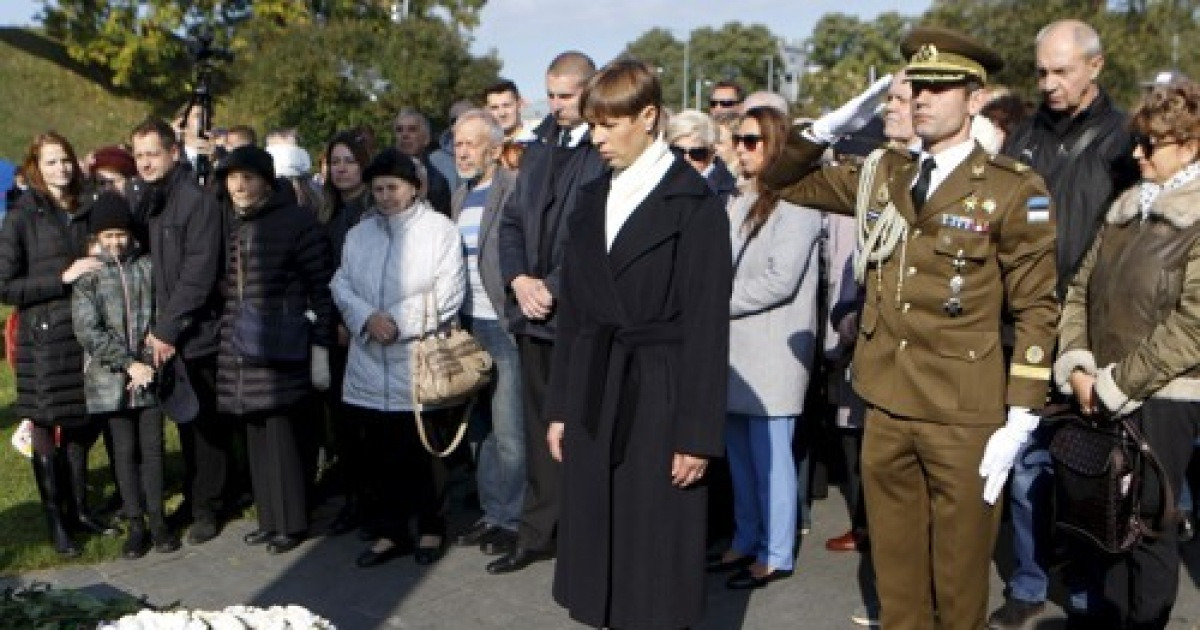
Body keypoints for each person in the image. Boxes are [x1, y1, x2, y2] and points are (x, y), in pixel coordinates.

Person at [762, 27, 1059, 630]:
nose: (923, 97)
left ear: (974, 100)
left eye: (941, 87)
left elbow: (1037, 306)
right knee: (895, 587)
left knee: (958, 588)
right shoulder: (883, 174)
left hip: (961, 413)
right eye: (917, 86)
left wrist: (1023, 412)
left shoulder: (1012, 188)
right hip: (887, 402)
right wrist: (820, 129)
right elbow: (783, 180)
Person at [545, 58, 731, 630]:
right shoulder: (591, 196)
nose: (596, 139)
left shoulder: (693, 205)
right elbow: (575, 314)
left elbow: (707, 327)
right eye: (592, 125)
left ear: (648, 116)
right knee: (599, 537)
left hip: (661, 393)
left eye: (608, 125)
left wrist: (697, 435)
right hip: (597, 388)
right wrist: (560, 408)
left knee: (652, 548)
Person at [991, 19, 1140, 629]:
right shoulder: (1021, 139)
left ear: (1095, 67)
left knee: (1088, 474)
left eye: (1062, 70)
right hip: (1023, 329)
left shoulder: (1126, 138)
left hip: (1095, 334)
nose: (1049, 83)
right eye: (1043, 71)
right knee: (1025, 470)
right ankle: (1027, 584)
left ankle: (1084, 589)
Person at [1054, 80, 1200, 630]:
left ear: (1190, 146)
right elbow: (1078, 291)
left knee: (1148, 526)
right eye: (1136, 140)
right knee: (1103, 523)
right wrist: (1079, 366)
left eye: (1151, 143)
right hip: (1100, 388)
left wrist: (1116, 385)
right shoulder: (1123, 209)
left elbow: (1192, 326)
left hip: (1165, 397)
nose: (1136, 153)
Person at [492, 50, 608, 575]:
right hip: (532, 316)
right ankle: (538, 532)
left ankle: (586, 536)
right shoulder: (537, 148)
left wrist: (554, 287)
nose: (557, 105)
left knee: (580, 428)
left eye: (566, 96)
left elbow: (598, 233)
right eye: (552, 95)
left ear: (589, 90)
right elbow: (512, 222)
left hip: (579, 316)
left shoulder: (605, 150)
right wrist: (519, 281)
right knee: (540, 429)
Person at [331, 147, 466, 568]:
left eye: (394, 187)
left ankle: (430, 527)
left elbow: (447, 293)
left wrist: (396, 321)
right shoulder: (360, 233)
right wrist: (367, 318)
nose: (386, 196)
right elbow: (341, 282)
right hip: (369, 360)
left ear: (414, 188)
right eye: (379, 189)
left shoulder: (439, 231)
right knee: (378, 454)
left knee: (424, 451)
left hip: (417, 358)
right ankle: (390, 532)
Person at [707, 106, 823, 589]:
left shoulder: (798, 201)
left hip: (773, 353)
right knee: (739, 459)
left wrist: (713, 303)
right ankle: (745, 539)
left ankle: (775, 553)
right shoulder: (736, 198)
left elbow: (780, 280)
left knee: (773, 462)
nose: (741, 148)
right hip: (735, 355)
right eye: (737, 139)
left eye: (752, 140)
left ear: (776, 144)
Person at [211, 146, 333, 555]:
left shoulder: (297, 221)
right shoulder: (233, 222)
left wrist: (320, 341)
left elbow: (321, 284)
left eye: (247, 178)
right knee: (256, 431)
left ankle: (292, 520)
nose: (239, 186)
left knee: (283, 434)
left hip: (283, 340)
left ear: (266, 180)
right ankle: (269, 518)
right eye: (232, 179)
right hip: (242, 343)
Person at [0, 131, 115, 557]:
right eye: (50, 162)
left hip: (84, 331)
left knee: (83, 423)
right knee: (47, 425)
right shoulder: (21, 217)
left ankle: (81, 507)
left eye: (65, 160)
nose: (61, 169)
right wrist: (61, 279)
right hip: (44, 336)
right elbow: (5, 286)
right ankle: (57, 522)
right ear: (35, 167)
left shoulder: (85, 208)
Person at [127, 118, 227, 545]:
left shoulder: (196, 201)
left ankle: (209, 505)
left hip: (197, 331)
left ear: (173, 152)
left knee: (206, 424)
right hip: (169, 330)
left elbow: (198, 274)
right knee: (185, 420)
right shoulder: (152, 200)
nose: (145, 162)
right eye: (139, 155)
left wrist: (167, 330)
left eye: (152, 153)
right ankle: (194, 495)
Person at [71, 191, 180, 558]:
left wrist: (147, 362)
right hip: (109, 379)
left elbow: (160, 314)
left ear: (131, 234)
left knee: (152, 449)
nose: (115, 242)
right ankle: (135, 523)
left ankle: (158, 521)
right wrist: (126, 362)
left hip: (149, 376)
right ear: (96, 239)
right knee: (124, 452)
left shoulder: (147, 266)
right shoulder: (90, 277)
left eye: (121, 234)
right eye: (107, 236)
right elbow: (88, 330)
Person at [448, 110, 526, 555]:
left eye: (471, 144)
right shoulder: (460, 195)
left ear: (495, 149)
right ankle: (492, 510)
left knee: (510, 429)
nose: (462, 152)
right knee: (480, 430)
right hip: (468, 324)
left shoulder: (512, 190)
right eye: (458, 143)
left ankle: (513, 518)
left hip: (504, 323)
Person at [318, 129, 375, 537]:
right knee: (344, 425)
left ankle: (373, 502)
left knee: (368, 424)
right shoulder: (327, 211)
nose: (341, 169)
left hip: (364, 329)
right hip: (333, 329)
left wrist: (351, 321)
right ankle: (354, 500)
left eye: (349, 162)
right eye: (335, 162)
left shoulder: (371, 210)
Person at [665, 109, 737, 205]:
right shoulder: (658, 184)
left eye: (697, 153)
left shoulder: (730, 194)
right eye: (678, 151)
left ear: (712, 153)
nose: (686, 159)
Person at [393, 108, 453, 216]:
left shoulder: (437, 182)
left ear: (426, 139)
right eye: (399, 130)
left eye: (412, 130)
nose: (404, 135)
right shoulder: (381, 175)